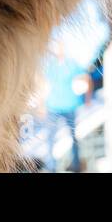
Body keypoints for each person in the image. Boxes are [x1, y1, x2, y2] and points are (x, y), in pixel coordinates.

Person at [42, 41, 87, 172]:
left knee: (73, 136)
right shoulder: (51, 66)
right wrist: (42, 105)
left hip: (70, 106)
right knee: (50, 138)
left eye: (60, 48)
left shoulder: (72, 64)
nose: (58, 51)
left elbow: (85, 77)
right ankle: (51, 167)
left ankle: (76, 164)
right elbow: (45, 86)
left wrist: (86, 98)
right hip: (53, 107)